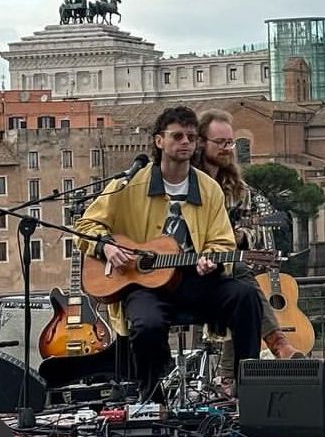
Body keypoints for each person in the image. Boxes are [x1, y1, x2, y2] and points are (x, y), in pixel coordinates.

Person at [75, 106, 264, 401]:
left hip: (194, 280)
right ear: (159, 141)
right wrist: (107, 246)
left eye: (191, 137)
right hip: (143, 286)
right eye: (177, 136)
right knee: (146, 325)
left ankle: (248, 388)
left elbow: (222, 241)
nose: (186, 142)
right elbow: (85, 226)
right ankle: (152, 396)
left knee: (246, 297)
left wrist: (212, 260)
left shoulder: (209, 189)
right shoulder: (128, 185)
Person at [192, 109, 302, 390]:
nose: (227, 148)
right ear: (201, 142)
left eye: (230, 143)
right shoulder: (187, 183)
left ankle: (231, 380)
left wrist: (236, 236)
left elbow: (254, 230)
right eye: (221, 142)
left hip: (224, 267)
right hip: (187, 268)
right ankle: (276, 344)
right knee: (241, 281)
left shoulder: (238, 190)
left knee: (240, 285)